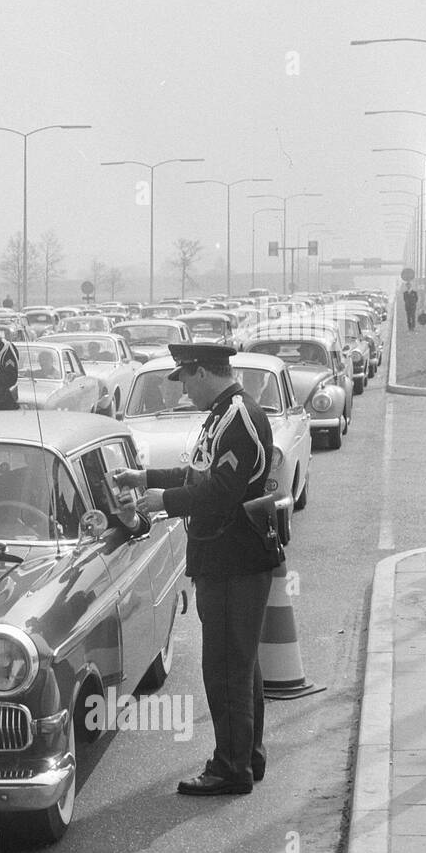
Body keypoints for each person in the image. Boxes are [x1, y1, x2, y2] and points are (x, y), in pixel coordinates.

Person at [112, 341, 280, 796]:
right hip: (230, 558)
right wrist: (145, 478)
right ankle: (247, 755)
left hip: (234, 560)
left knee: (225, 667)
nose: (183, 390)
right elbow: (197, 475)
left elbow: (220, 492)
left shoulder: (238, 416)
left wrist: (161, 502)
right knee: (239, 665)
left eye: (184, 380)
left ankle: (230, 769)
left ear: (203, 372)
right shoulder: (225, 413)